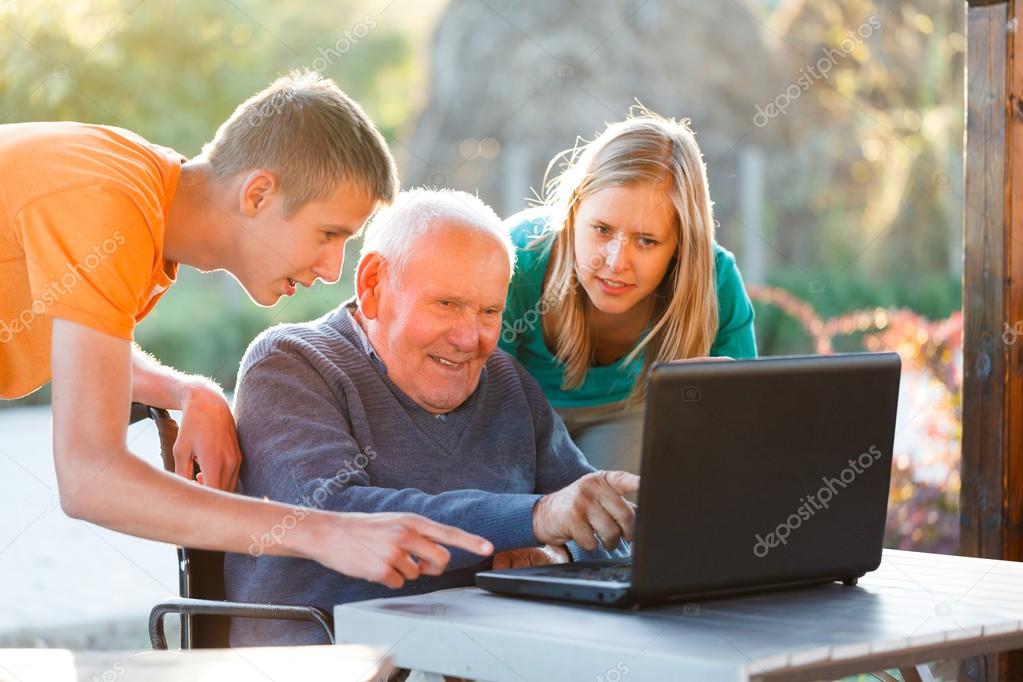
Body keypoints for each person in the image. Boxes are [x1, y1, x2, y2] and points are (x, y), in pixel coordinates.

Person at [0, 71, 492, 587]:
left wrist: (185, 389)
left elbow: (83, 346)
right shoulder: (109, 205)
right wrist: (324, 532)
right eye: (328, 234)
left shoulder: (142, 193)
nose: (332, 269)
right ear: (257, 194)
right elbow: (89, 477)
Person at [224, 190, 638, 645]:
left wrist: (558, 553)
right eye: (446, 304)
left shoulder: (506, 380)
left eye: (489, 312)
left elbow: (603, 522)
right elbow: (334, 515)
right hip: (334, 661)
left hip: (486, 657)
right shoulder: (290, 362)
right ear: (373, 285)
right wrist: (533, 517)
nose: (469, 339)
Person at [499, 110, 758, 473]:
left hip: (627, 417)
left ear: (680, 244)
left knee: (622, 500)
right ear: (573, 211)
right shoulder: (514, 257)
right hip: (515, 413)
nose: (616, 262)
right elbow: (474, 390)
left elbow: (744, 426)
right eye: (602, 229)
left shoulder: (716, 281)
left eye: (647, 240)